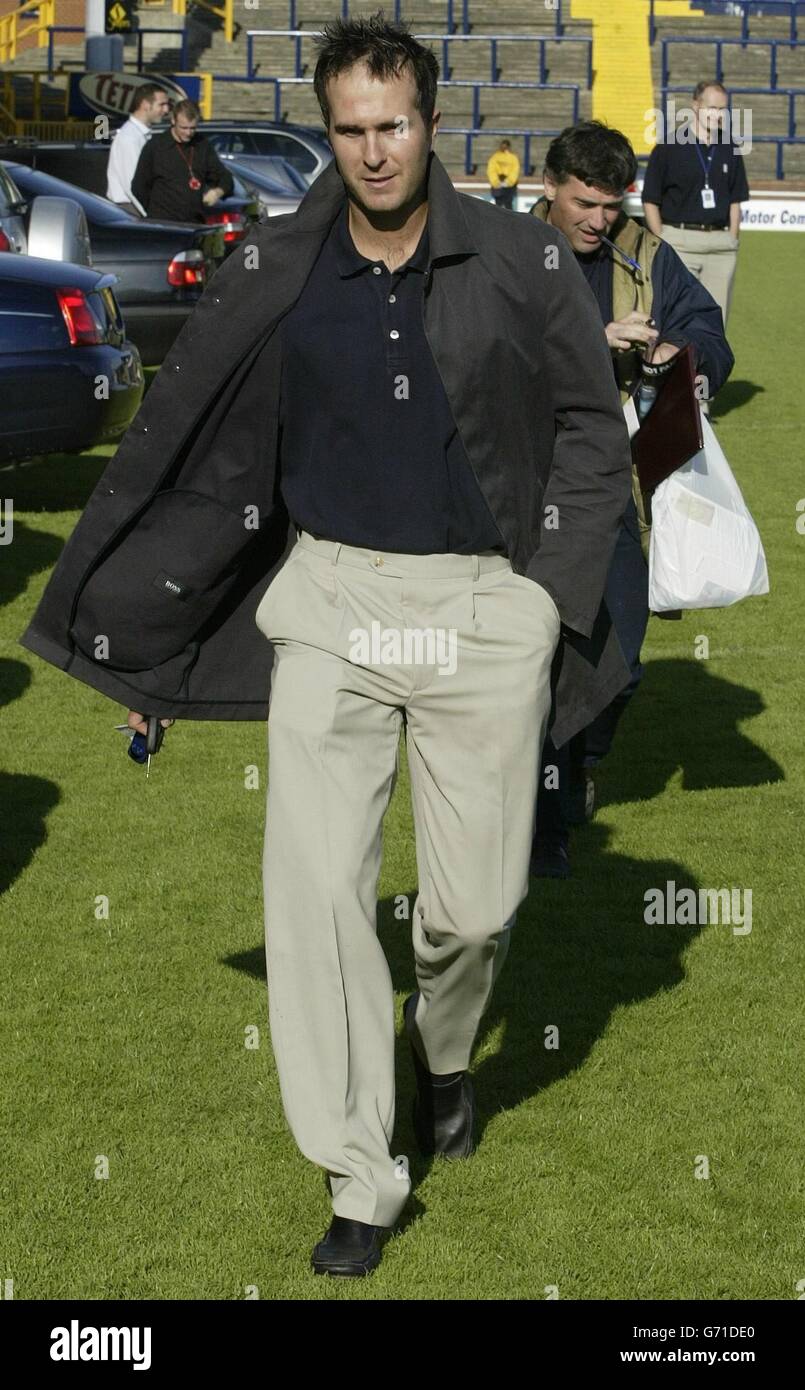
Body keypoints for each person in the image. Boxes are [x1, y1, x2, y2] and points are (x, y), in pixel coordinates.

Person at [19, 15, 632, 1277]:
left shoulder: (519, 258)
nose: (371, 152)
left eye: (391, 125)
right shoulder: (274, 267)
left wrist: (543, 599)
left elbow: (588, 426)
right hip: (333, 605)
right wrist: (153, 650)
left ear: (431, 121)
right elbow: (205, 464)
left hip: (482, 604)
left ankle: (444, 1055)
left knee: (471, 913)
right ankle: (361, 1169)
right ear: (329, 128)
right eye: (347, 129)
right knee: (313, 902)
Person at [529, 120, 733, 878]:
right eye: (582, 202)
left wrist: (685, 355)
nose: (596, 220)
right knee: (543, 660)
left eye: (610, 206)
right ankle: (544, 827)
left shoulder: (645, 256)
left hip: (610, 485)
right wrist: (591, 337)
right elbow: (476, 349)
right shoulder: (503, 251)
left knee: (621, 662)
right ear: (547, 185)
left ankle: (583, 760)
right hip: (519, 485)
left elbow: (709, 330)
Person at [642, 80, 749, 339]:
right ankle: (671, 378)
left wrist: (732, 238)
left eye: (722, 109)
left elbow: (736, 199)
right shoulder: (668, 147)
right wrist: (663, 239)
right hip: (679, 243)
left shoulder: (731, 148)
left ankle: (707, 380)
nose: (717, 114)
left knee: (715, 328)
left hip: (720, 248)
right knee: (675, 320)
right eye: (711, 107)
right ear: (695, 106)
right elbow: (650, 199)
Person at [131, 98, 233, 223]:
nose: (188, 133)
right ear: (173, 120)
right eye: (184, 128)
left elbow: (225, 177)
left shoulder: (202, 145)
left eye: (193, 128)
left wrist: (217, 192)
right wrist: (154, 213)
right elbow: (139, 186)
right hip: (163, 222)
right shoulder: (156, 146)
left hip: (194, 222)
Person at [106, 83, 171, 216]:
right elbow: (134, 186)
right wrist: (151, 215)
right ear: (145, 105)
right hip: (130, 210)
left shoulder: (140, 135)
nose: (166, 110)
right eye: (162, 104)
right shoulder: (129, 138)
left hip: (135, 208)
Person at [486, 137, 520, 209]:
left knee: (508, 204)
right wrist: (495, 182)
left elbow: (515, 171)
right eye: (502, 146)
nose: (504, 148)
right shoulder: (495, 157)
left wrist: (508, 182)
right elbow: (491, 170)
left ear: (508, 147)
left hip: (509, 185)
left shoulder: (513, 158)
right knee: (498, 204)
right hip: (498, 182)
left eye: (505, 146)